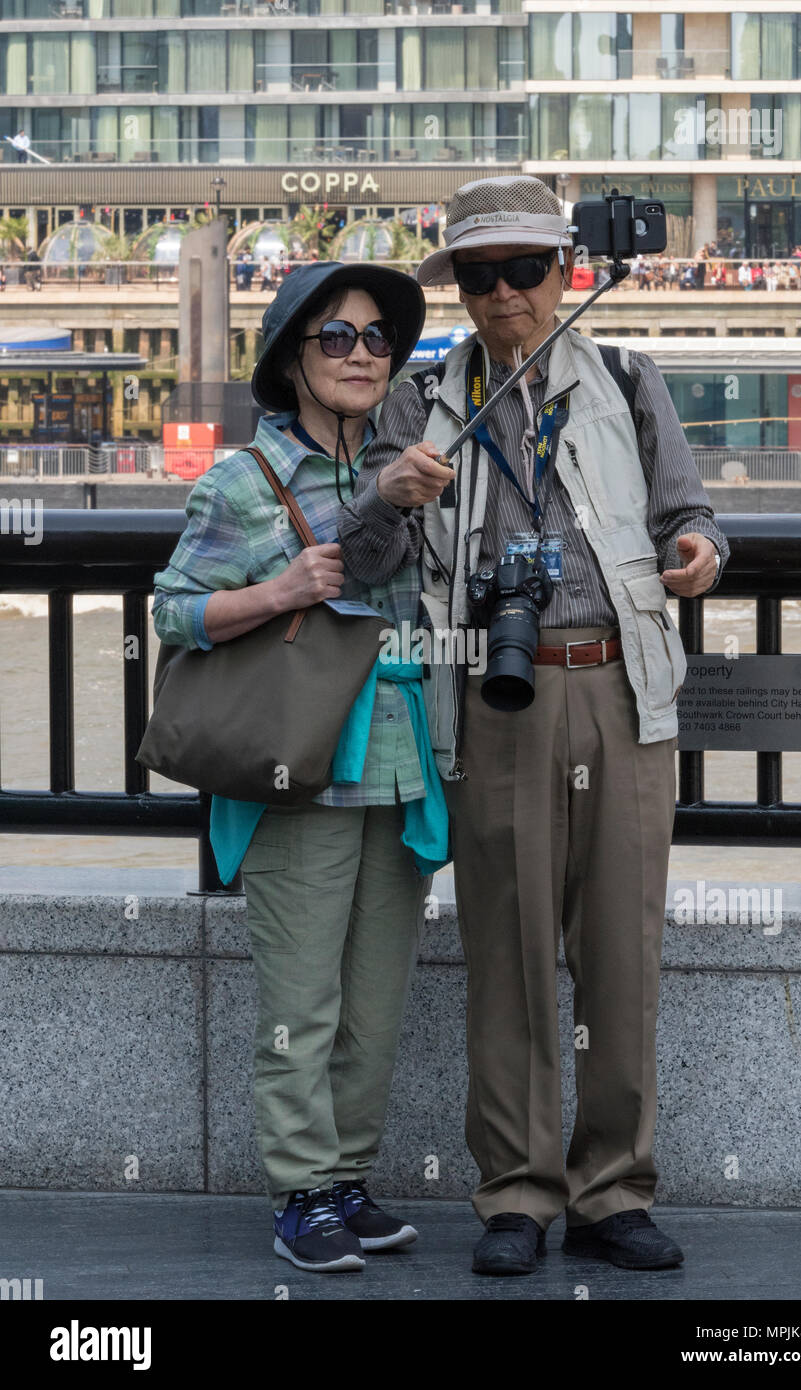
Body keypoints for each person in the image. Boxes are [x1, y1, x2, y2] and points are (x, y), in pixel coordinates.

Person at [339, 175, 729, 1277]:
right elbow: (360, 564)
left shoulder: (622, 376)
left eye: (524, 268)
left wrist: (700, 555)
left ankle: (613, 1189)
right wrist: (390, 498)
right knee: (503, 955)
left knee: (620, 956)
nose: (504, 293)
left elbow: (687, 515)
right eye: (478, 273)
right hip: (488, 692)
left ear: (563, 273)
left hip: (616, 687)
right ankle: (515, 1193)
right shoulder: (419, 403)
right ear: (457, 288)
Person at [151, 262, 448, 1273]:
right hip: (303, 765)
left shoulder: (414, 460)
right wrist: (276, 590)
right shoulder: (242, 477)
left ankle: (347, 1179)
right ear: (291, 360)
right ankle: (299, 1190)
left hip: (403, 763)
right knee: (299, 1000)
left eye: (376, 338)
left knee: (372, 998)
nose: (362, 353)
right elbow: (174, 610)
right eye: (336, 337)